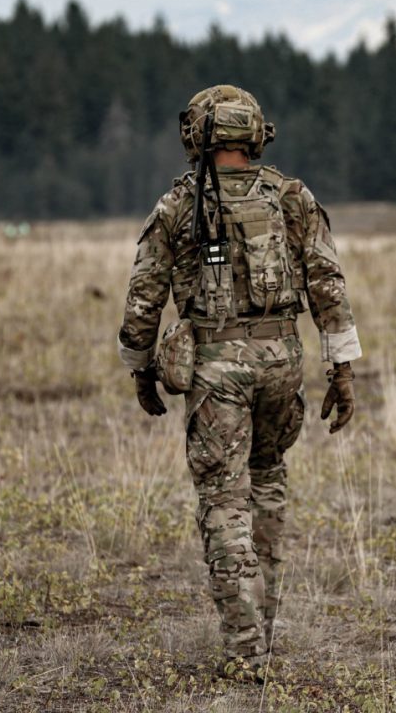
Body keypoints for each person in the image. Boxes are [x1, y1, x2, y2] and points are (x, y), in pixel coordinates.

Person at [116, 84, 361, 678]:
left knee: (223, 503)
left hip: (216, 368)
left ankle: (245, 651)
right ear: (254, 133)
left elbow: (143, 299)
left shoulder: (177, 205)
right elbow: (328, 285)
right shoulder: (292, 198)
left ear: (197, 136)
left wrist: (141, 369)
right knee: (269, 485)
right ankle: (265, 634)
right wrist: (342, 368)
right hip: (283, 363)